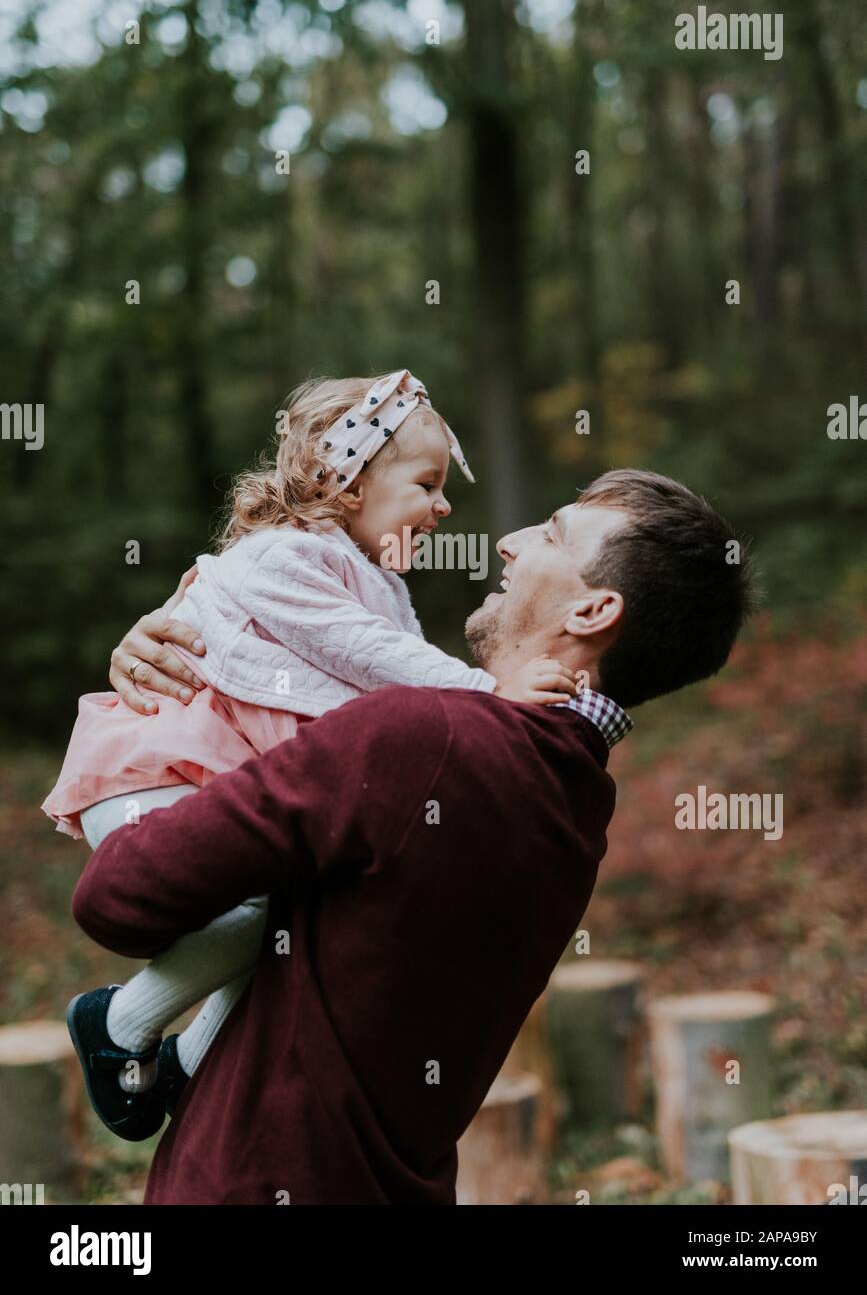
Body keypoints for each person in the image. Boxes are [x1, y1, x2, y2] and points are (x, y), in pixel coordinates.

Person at [72, 468, 756, 1204]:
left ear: (592, 610)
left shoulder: (419, 740)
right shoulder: (576, 805)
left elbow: (119, 897)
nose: (508, 542)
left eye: (550, 534)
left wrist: (148, 721)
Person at [43, 371, 577, 1140]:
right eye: (425, 483)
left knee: (293, 916)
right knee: (259, 910)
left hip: (204, 771)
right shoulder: (285, 555)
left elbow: (392, 700)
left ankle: (190, 1063)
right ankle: (117, 1026)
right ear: (347, 482)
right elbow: (369, 658)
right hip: (154, 766)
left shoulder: (374, 578)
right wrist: (488, 690)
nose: (445, 504)